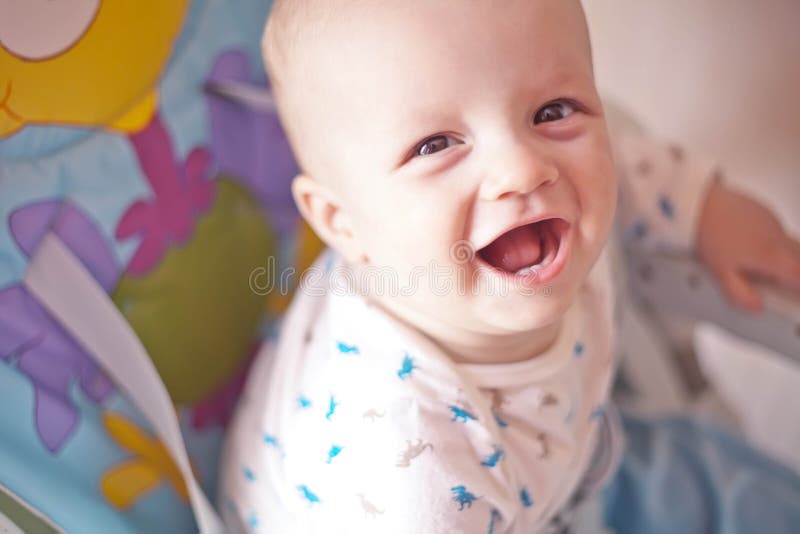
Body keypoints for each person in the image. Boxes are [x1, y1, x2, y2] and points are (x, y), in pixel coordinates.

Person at [219, 1, 800, 532]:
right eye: (435, 146)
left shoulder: (540, 204)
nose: (523, 168)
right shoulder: (411, 482)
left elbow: (620, 160)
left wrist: (703, 205)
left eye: (551, 110)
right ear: (345, 225)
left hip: (584, 457)